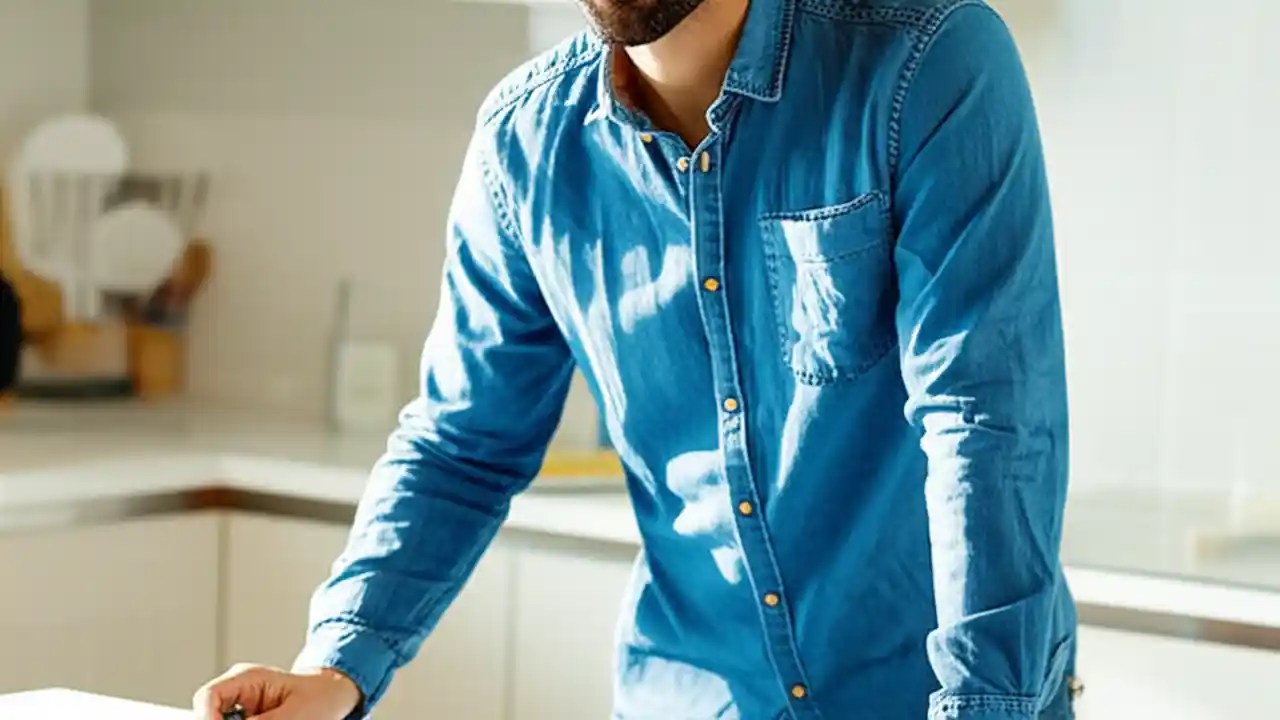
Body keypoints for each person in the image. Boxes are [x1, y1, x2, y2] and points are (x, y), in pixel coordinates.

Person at [194, 0, 1077, 717]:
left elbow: (987, 427)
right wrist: (337, 664)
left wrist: (984, 706)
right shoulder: (526, 145)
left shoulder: (926, 64)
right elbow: (461, 446)